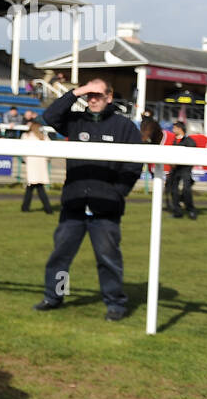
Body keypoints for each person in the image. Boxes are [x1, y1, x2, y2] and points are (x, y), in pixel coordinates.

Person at [34, 78, 142, 320]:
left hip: (106, 207)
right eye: (89, 96)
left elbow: (134, 165)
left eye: (98, 95)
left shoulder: (124, 127)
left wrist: (118, 192)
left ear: (109, 97)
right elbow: (49, 116)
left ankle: (115, 303)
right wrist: (77, 92)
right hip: (74, 203)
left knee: (108, 258)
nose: (93, 100)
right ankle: (55, 296)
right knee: (61, 255)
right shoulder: (76, 121)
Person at [166, 121, 198, 219]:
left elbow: (192, 154)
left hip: (185, 169)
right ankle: (177, 212)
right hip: (175, 170)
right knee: (174, 190)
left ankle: (191, 210)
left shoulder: (189, 141)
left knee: (186, 190)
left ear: (180, 129)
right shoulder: (174, 141)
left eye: (175, 128)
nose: (173, 130)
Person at [20, 119, 53, 213]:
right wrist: (47, 159)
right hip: (41, 165)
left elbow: (22, 150)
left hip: (31, 165)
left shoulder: (26, 136)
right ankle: (47, 209)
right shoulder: (44, 137)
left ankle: (26, 208)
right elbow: (51, 149)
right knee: (37, 187)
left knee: (33, 187)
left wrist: (25, 159)